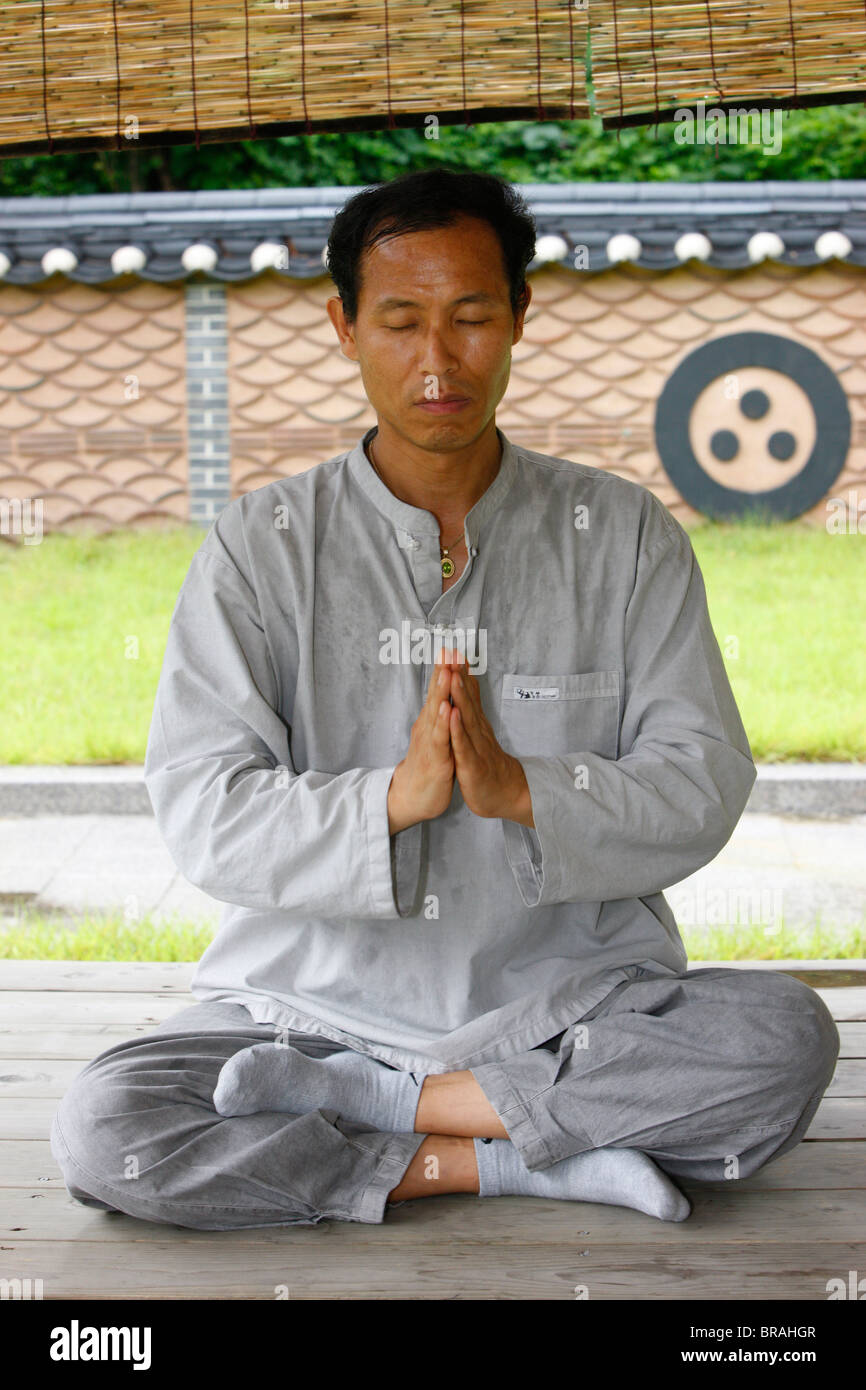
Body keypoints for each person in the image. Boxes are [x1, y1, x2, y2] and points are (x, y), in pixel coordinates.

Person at [50, 168, 839, 1231]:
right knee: (112, 1126)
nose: (436, 361)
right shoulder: (260, 546)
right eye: (400, 322)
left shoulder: (620, 532)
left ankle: (383, 1121)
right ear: (343, 327)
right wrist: (391, 798)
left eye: (470, 317)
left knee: (783, 1040)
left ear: (518, 314)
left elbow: (701, 778)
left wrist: (521, 788)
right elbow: (203, 809)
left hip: (570, 1007)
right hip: (308, 1017)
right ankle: (525, 1154)